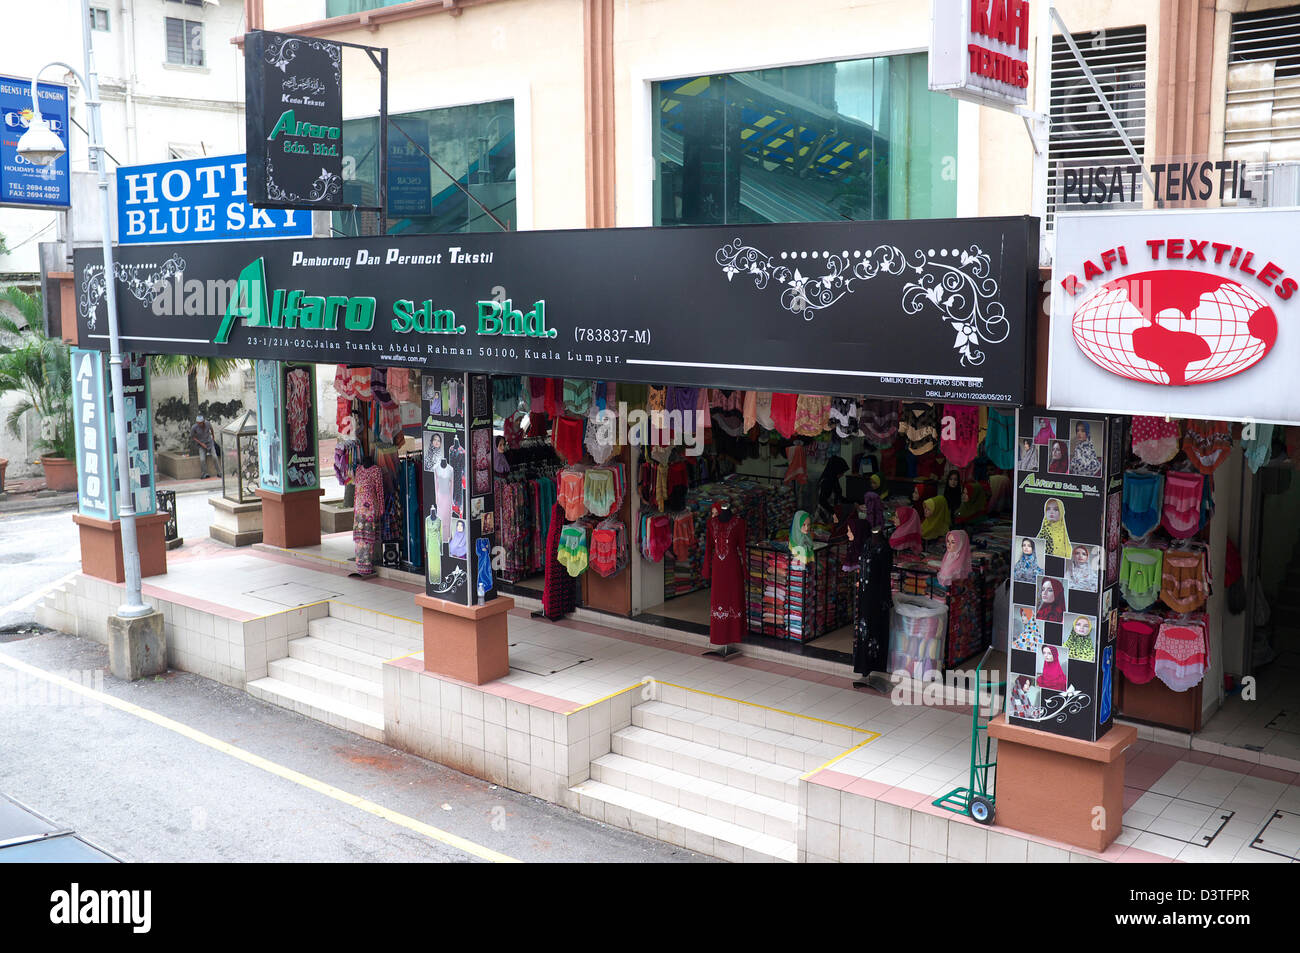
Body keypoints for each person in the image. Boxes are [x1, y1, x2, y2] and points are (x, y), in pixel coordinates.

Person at [190, 414, 222, 479]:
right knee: (202, 459)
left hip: (209, 443)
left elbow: (212, 429)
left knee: (215, 457)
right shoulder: (194, 427)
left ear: (203, 421)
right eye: (198, 423)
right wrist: (201, 444)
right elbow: (193, 437)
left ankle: (219, 472)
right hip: (201, 445)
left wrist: (213, 437)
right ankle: (204, 474)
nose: (199, 424)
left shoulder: (207, 423)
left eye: (200, 423)